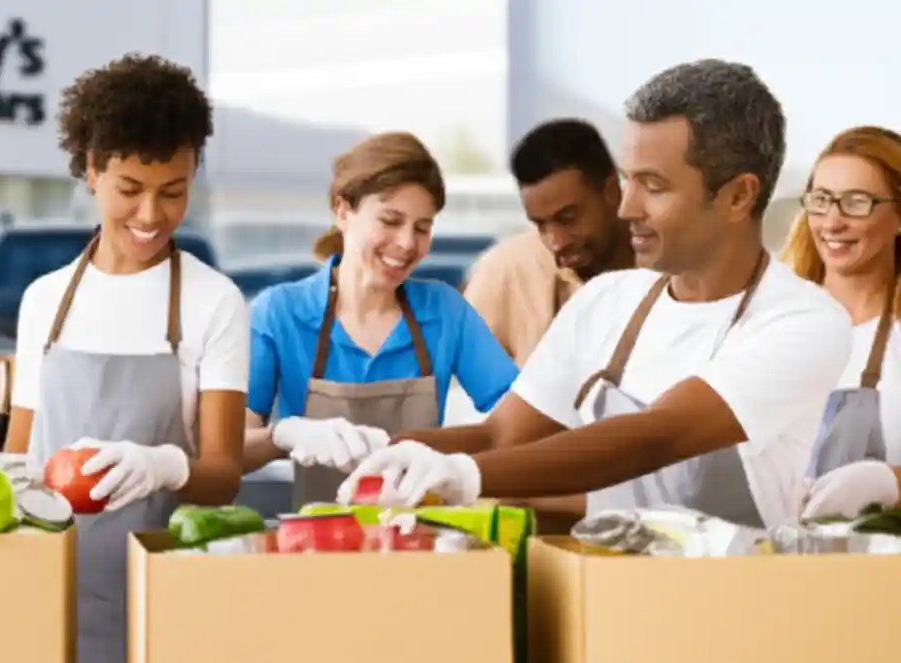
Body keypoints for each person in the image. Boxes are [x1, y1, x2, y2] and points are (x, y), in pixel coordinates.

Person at [338, 59, 852, 530]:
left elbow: (659, 435)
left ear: (738, 195)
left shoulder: (803, 322)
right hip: (597, 589)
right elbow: (501, 438)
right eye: (627, 180)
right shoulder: (605, 302)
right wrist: (386, 450)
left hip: (732, 604)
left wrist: (466, 476)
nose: (626, 207)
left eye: (653, 185)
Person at [0, 54, 244, 663]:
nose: (151, 212)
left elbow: (223, 473)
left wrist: (162, 464)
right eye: (129, 187)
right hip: (43, 588)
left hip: (156, 595)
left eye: (174, 189)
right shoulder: (44, 301)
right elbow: (19, 467)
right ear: (90, 170)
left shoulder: (213, 301)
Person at [242, 131, 517, 511]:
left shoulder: (444, 312)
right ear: (343, 211)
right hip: (316, 545)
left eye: (422, 227)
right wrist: (283, 435)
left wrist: (451, 459)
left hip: (417, 541)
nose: (407, 243)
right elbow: (229, 451)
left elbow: (521, 421)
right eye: (390, 220)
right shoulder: (279, 314)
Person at [781, 127, 901, 519]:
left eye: (857, 202)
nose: (832, 222)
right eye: (821, 201)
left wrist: (890, 484)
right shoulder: (768, 325)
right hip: (765, 568)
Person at [464, 118, 634, 365]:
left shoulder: (677, 267)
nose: (556, 243)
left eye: (567, 219)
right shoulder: (506, 271)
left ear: (611, 192)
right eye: (540, 225)